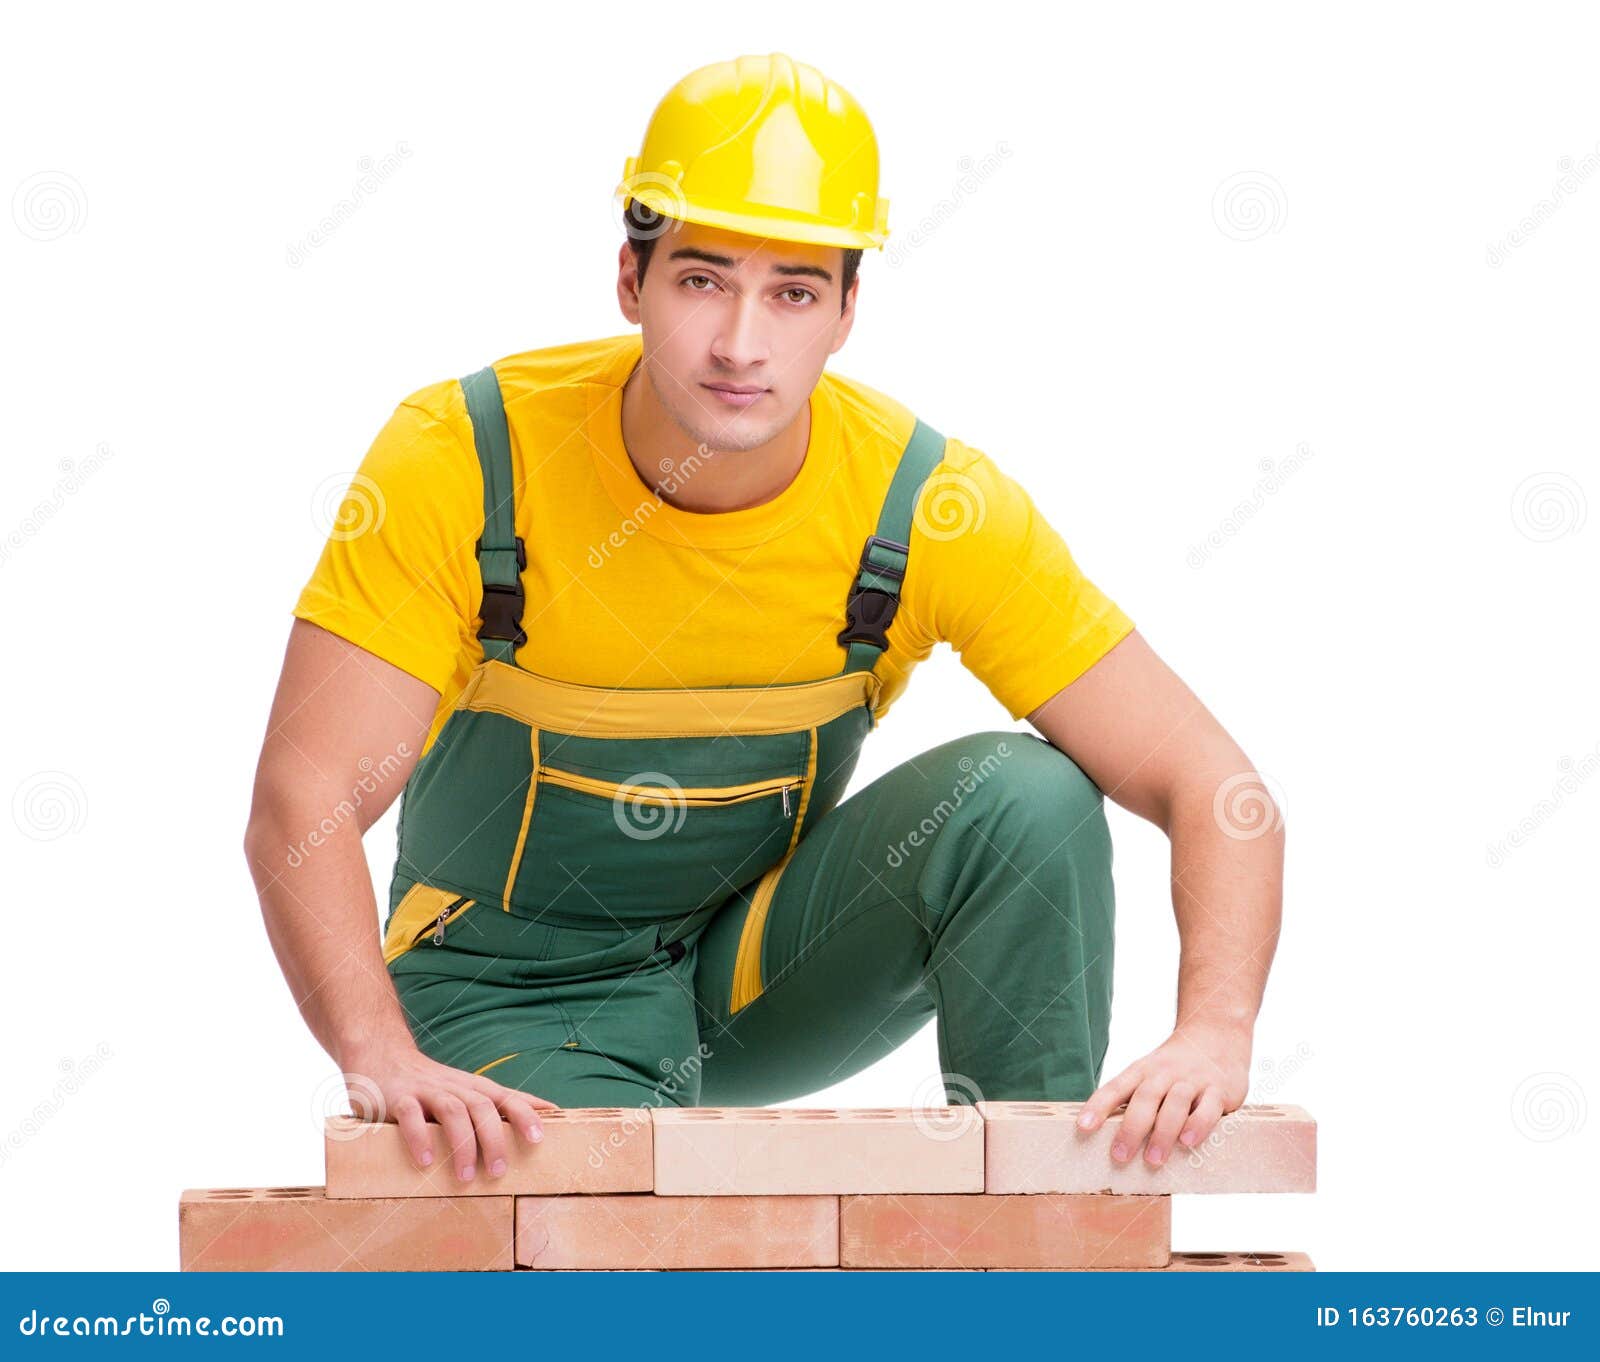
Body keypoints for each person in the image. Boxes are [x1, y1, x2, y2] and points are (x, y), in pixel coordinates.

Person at [244, 51, 1283, 1187]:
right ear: (630, 280)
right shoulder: (468, 459)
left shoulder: (923, 505)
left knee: (1023, 798)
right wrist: (377, 1054)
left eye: (792, 290)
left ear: (844, 312)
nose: (741, 343)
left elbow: (1216, 790)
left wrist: (1213, 1032)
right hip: (505, 997)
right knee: (624, 1236)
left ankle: (1040, 1220)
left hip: (739, 981)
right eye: (701, 279)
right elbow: (303, 803)